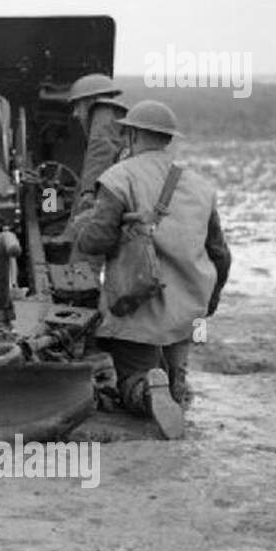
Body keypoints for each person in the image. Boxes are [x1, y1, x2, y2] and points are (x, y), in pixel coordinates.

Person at [71, 100, 231, 438]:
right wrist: (209, 302)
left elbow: (95, 242)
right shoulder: (200, 186)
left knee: (131, 380)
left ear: (132, 134)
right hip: (186, 308)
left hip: (137, 305)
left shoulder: (118, 178)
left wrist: (81, 226)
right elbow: (220, 253)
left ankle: (144, 390)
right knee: (177, 383)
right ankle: (173, 388)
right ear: (168, 140)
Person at [66, 73, 129, 218]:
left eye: (78, 105)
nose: (75, 114)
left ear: (91, 102)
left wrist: (88, 193)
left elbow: (101, 151)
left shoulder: (103, 118)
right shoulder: (116, 124)